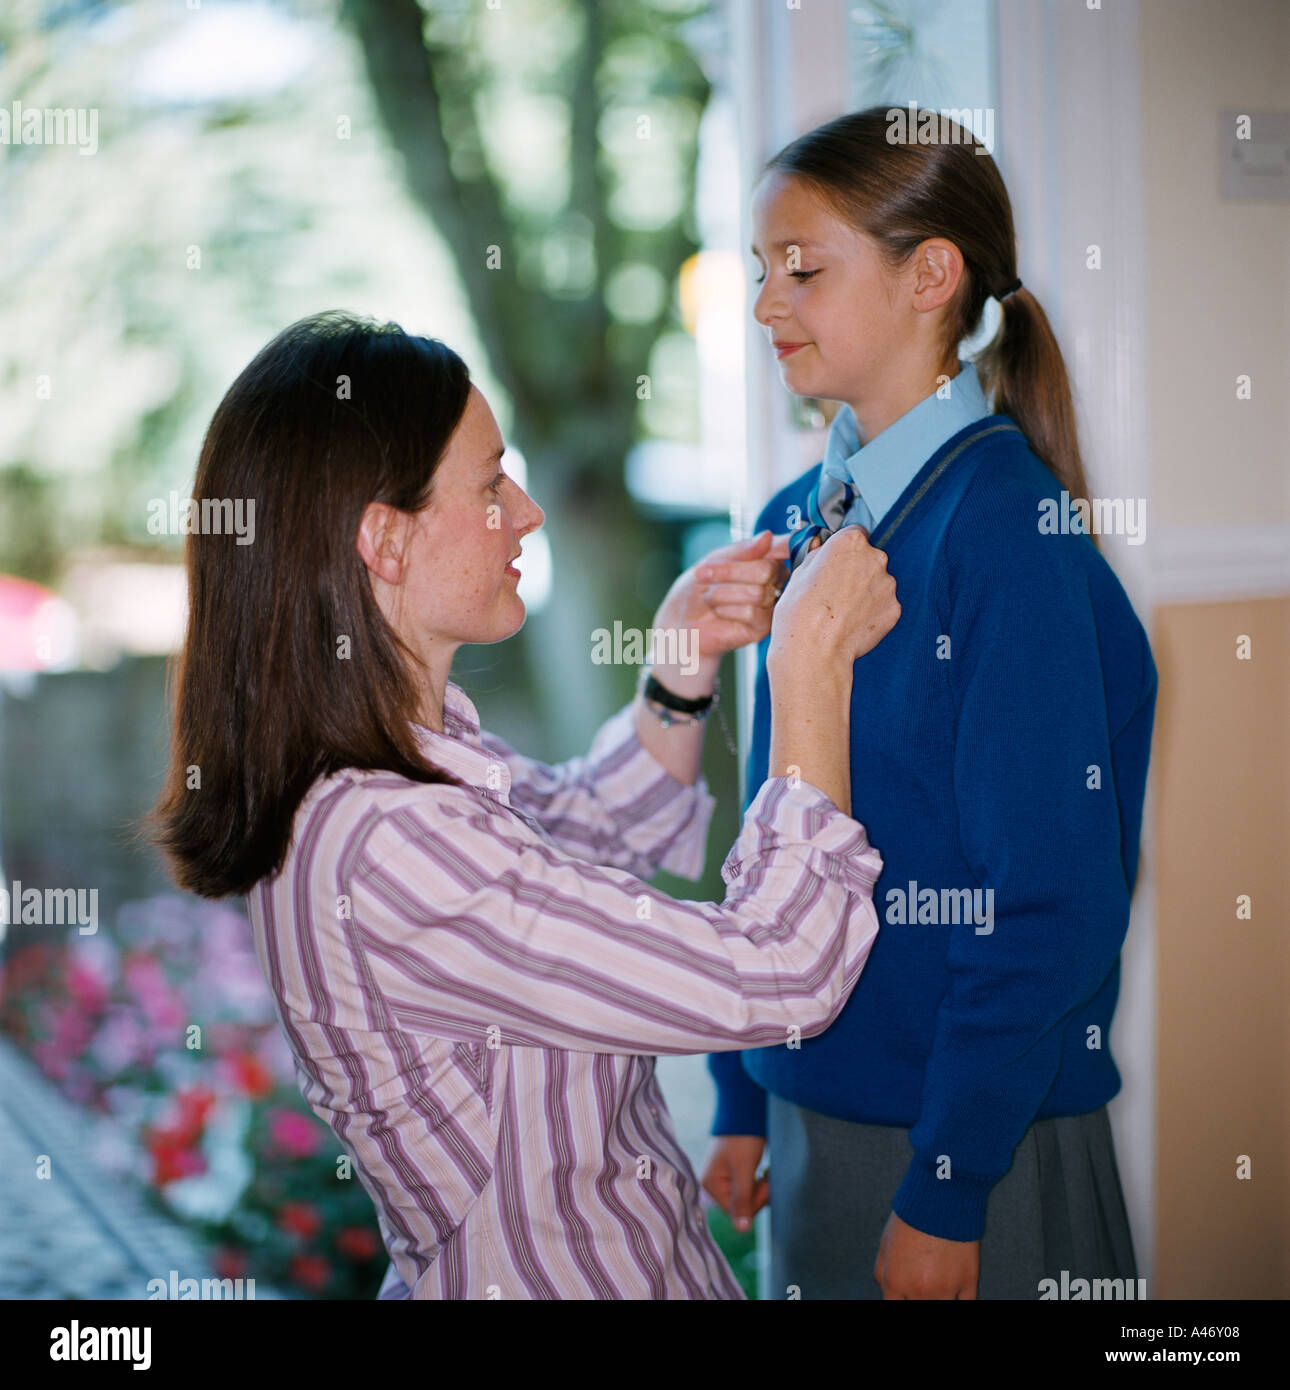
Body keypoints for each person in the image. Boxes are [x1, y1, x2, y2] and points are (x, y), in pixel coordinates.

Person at [150, 309, 901, 1299]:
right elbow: (781, 970)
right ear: (384, 538)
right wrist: (808, 673)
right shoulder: (391, 844)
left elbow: (582, 837)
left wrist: (677, 667)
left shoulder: (398, 774)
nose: (528, 511)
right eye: (489, 482)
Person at [701, 107, 1158, 1300]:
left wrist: (946, 1183)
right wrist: (744, 1092)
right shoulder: (794, 517)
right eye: (760, 273)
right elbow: (770, 828)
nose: (764, 305)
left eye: (802, 269)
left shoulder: (1008, 537)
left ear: (931, 276)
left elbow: (1055, 902)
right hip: (813, 1121)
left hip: (969, 1153)